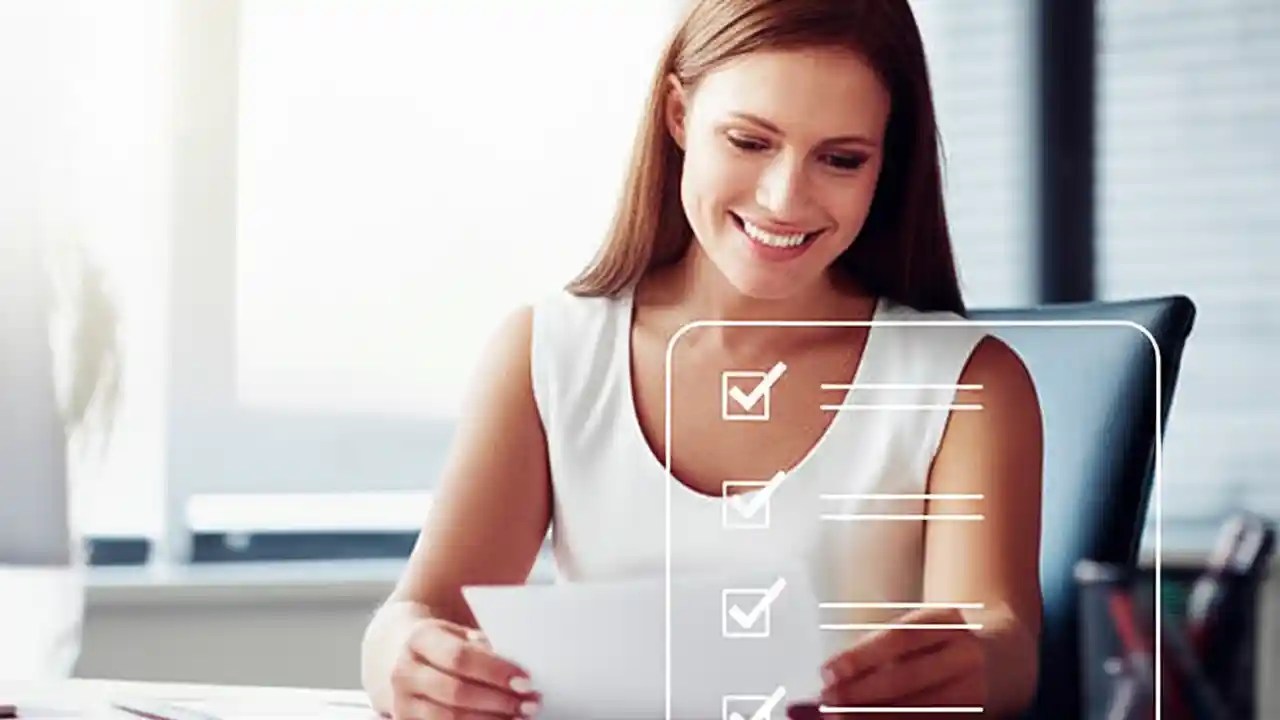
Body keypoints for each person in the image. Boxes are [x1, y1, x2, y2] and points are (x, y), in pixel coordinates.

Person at [361, 0, 1044, 717]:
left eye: (841, 159)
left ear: (886, 160)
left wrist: (976, 669)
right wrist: (399, 658)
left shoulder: (969, 382)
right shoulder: (549, 352)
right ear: (679, 116)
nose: (785, 198)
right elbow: (424, 612)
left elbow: (1003, 641)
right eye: (750, 142)